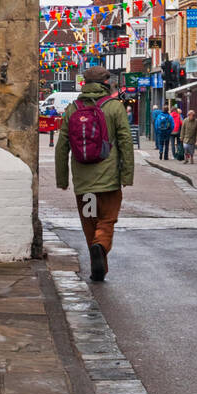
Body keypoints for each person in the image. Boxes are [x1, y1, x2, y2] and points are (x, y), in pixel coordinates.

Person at [55, 67, 134, 282]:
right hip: (108, 182)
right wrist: (127, 175)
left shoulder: (73, 108)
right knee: (106, 221)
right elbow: (126, 141)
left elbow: (62, 146)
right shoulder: (114, 107)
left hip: (83, 183)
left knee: (90, 223)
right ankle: (100, 246)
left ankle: (98, 268)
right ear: (106, 82)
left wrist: (62, 179)